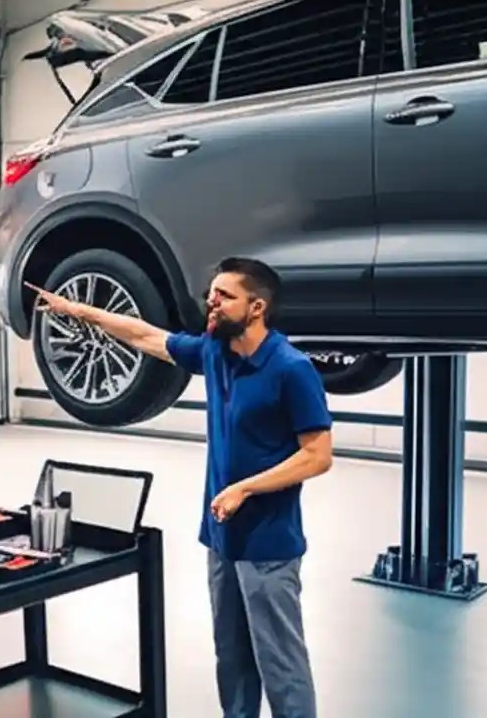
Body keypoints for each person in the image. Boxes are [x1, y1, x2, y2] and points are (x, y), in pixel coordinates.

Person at [28, 256, 333, 718]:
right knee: (231, 657)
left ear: (256, 307)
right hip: (221, 537)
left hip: (268, 544)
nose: (212, 302)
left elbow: (317, 456)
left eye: (225, 295)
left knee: (280, 663)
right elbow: (145, 336)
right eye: (212, 293)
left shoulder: (291, 369)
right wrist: (80, 311)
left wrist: (245, 489)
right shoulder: (215, 352)